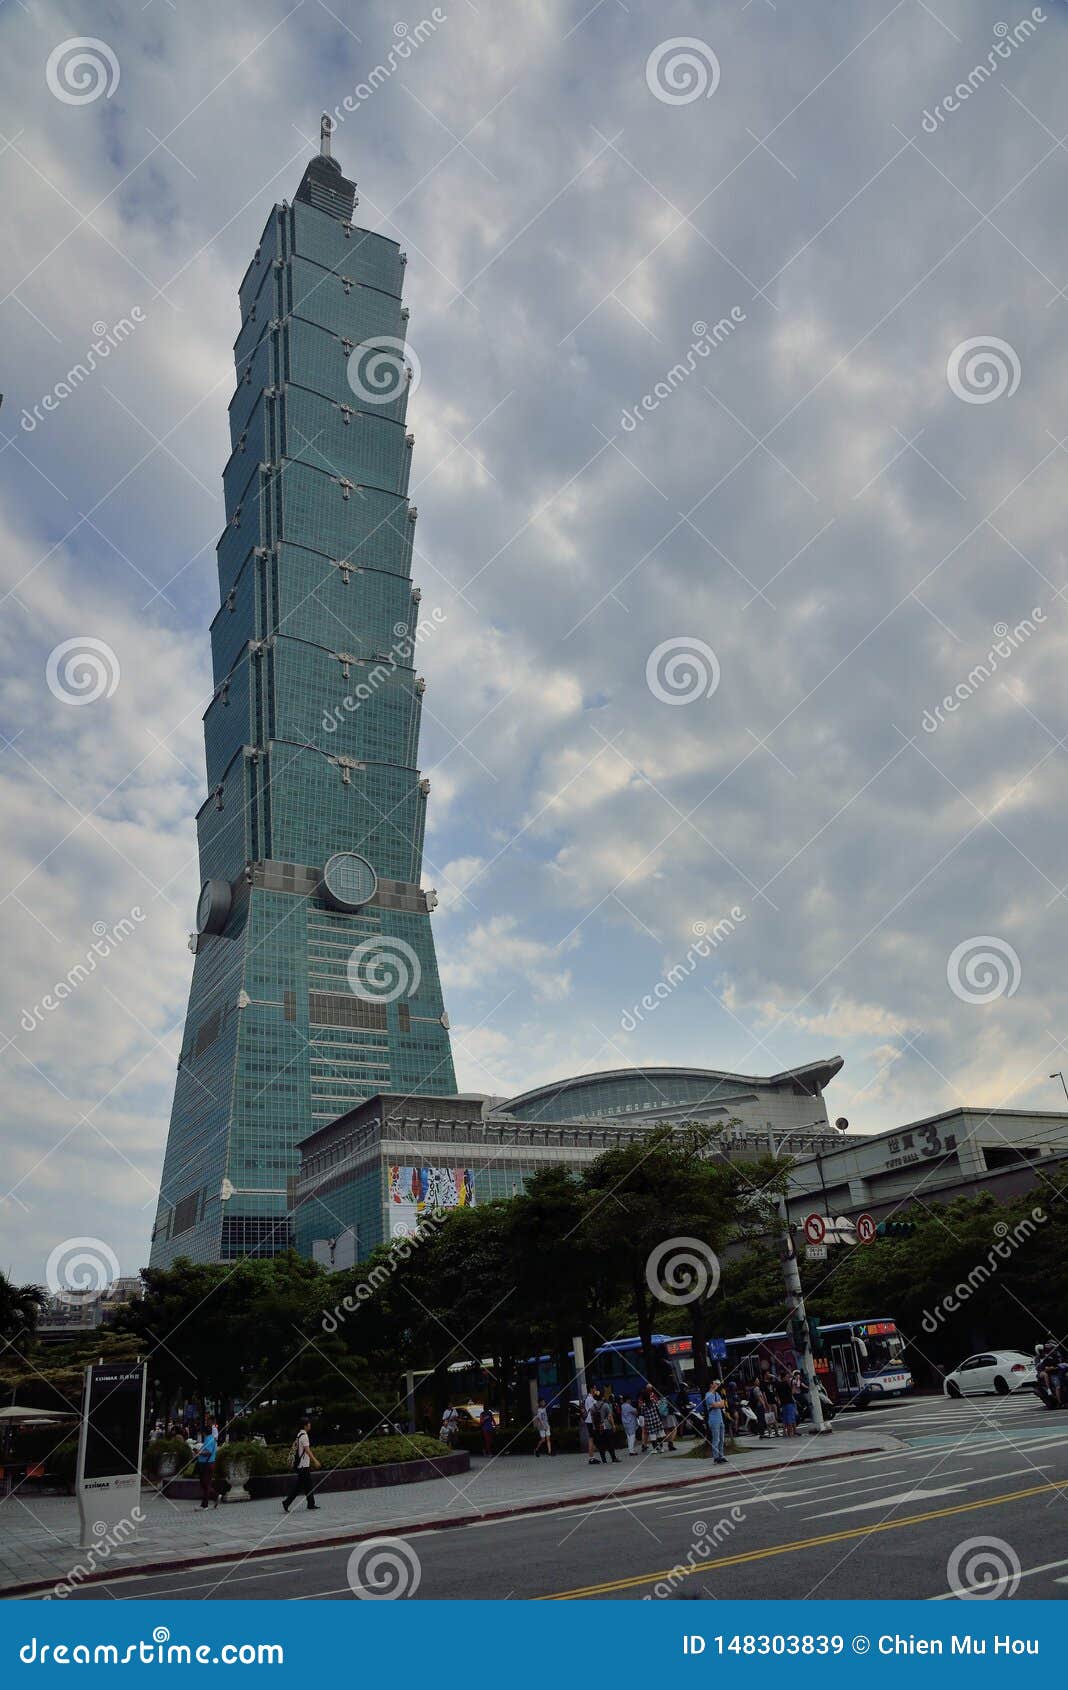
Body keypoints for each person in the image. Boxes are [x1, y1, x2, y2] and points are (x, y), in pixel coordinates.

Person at [282, 1419, 320, 1513]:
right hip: (303, 1465)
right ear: (305, 1425)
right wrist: (315, 1461)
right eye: (309, 1423)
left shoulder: (299, 1434)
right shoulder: (304, 1436)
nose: (310, 1425)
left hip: (302, 1465)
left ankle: (310, 1504)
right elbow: (307, 1450)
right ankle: (287, 1502)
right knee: (300, 1487)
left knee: (307, 1486)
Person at [704, 1378, 727, 1464]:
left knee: (721, 1439)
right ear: (711, 1385)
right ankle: (716, 1457)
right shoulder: (708, 1395)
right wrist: (719, 1404)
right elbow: (714, 1405)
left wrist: (719, 1404)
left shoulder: (717, 1394)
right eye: (715, 1383)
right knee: (716, 1439)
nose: (717, 1384)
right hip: (713, 1420)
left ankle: (721, 1455)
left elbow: (722, 1404)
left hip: (720, 1418)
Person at [195, 1423, 218, 1509]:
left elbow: (208, 1452)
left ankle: (205, 1505)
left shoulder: (209, 1439)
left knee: (205, 1484)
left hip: (207, 1464)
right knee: (205, 1484)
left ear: (204, 1432)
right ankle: (215, 1496)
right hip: (208, 1463)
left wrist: (199, 1453)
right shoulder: (211, 1438)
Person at [594, 1392, 619, 1463]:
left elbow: (592, 1418)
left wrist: (594, 1427)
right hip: (607, 1426)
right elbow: (610, 1416)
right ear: (602, 1397)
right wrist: (613, 1425)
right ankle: (613, 1458)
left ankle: (604, 1460)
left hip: (598, 1427)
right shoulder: (605, 1405)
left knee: (601, 1444)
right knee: (610, 1443)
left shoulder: (593, 1406)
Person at [584, 1386, 600, 1464]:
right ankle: (591, 1458)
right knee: (591, 1439)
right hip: (591, 1421)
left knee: (592, 1439)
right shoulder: (589, 1399)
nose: (596, 1390)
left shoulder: (591, 1398)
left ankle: (592, 1457)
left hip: (591, 1421)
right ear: (591, 1389)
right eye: (594, 1388)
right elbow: (592, 1410)